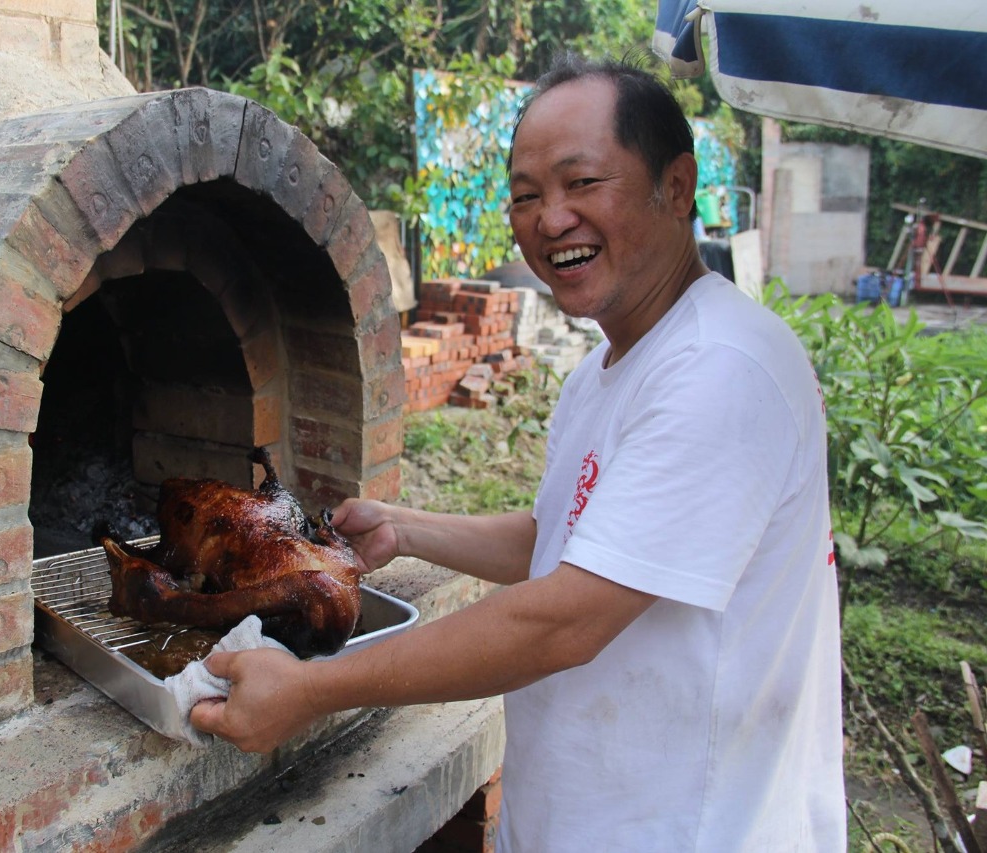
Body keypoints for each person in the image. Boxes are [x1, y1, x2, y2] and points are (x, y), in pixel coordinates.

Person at [192, 51, 846, 851]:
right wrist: (408, 525)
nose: (549, 219)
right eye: (526, 196)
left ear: (677, 187)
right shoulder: (608, 369)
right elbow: (567, 544)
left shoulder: (720, 369)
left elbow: (564, 619)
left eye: (582, 183)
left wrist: (314, 687)